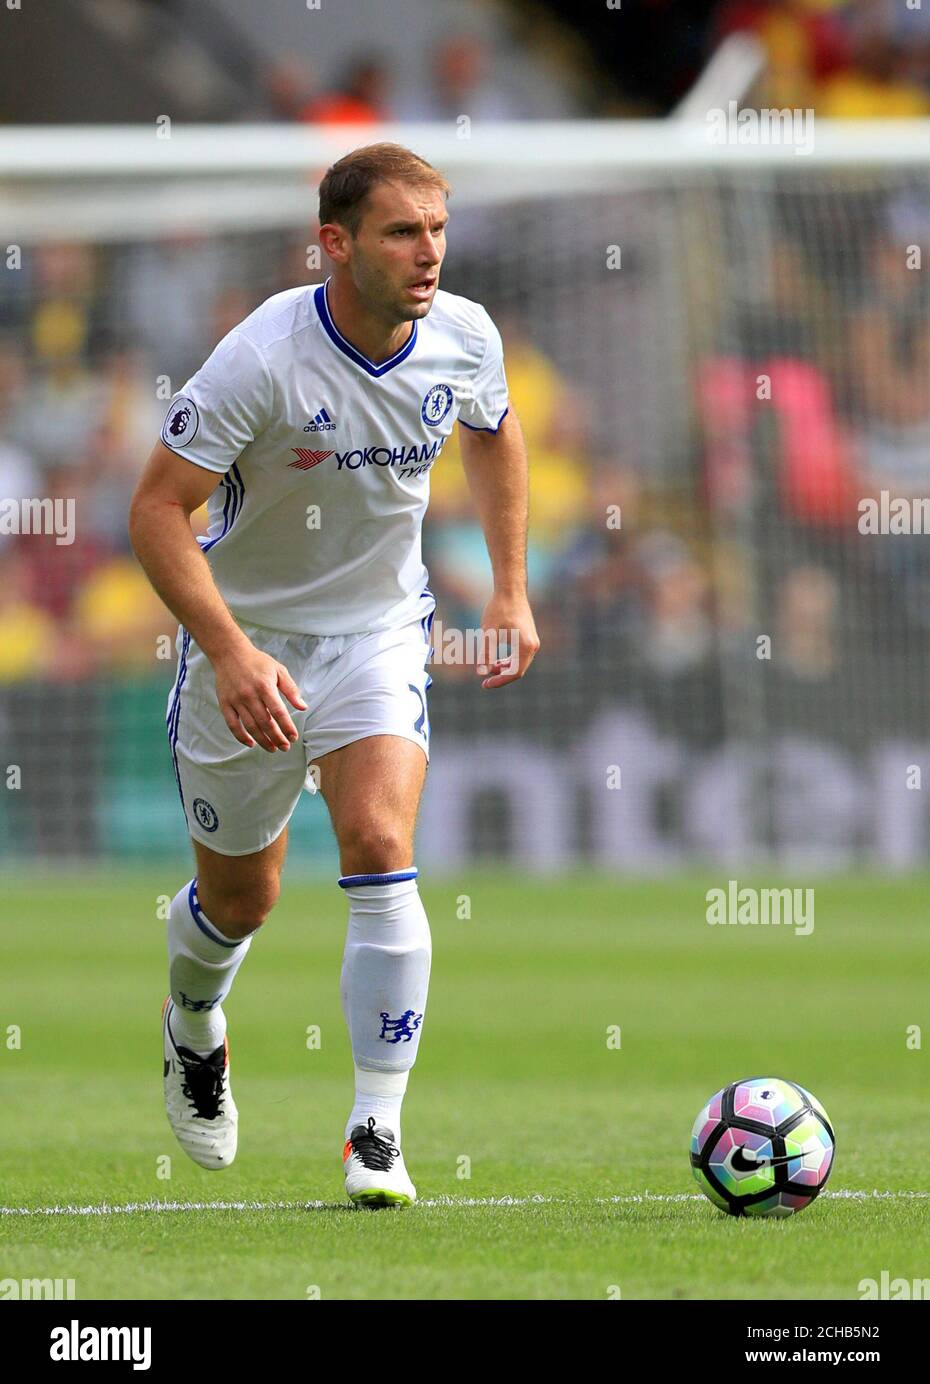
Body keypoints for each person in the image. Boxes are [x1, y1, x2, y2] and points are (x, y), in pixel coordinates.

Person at [129, 142, 540, 1206]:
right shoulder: (261, 357)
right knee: (243, 899)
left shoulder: (463, 336)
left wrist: (508, 588)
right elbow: (154, 508)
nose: (429, 253)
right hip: (250, 644)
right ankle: (193, 1023)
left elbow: (496, 432)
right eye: (404, 232)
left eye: (438, 229)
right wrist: (227, 651)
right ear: (336, 243)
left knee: (379, 840)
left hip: (379, 634)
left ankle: (376, 1130)